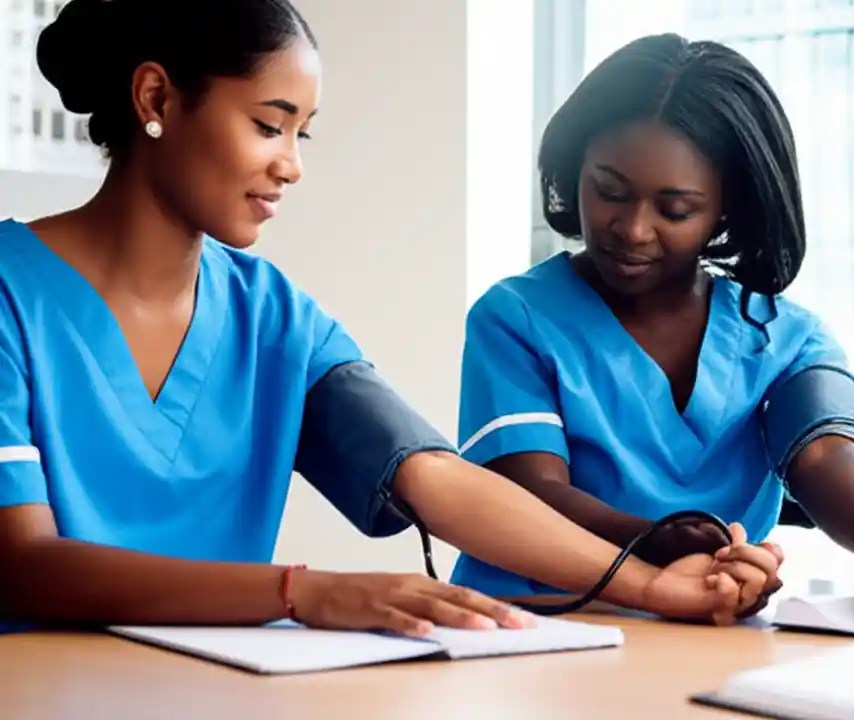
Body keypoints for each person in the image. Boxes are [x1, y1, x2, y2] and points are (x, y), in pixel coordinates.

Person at [0, 0, 783, 636]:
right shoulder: (11, 291)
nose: (292, 165)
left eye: (301, 134)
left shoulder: (271, 317)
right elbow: (22, 564)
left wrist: (656, 587)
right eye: (268, 125)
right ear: (156, 98)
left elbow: (436, 479)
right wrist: (302, 593)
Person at [449, 33, 854, 614]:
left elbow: (827, 451)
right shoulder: (517, 319)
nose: (633, 229)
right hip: (529, 627)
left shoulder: (784, 339)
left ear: (728, 208)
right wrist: (650, 538)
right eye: (609, 192)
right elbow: (527, 494)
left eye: (675, 210)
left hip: (705, 630)